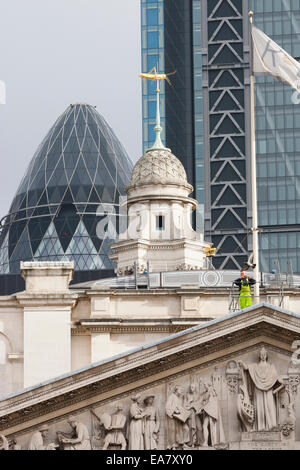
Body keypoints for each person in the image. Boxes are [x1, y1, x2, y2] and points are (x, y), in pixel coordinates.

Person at [238, 347, 283, 431]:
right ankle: (260, 427)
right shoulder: (255, 366)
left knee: (270, 406)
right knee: (259, 406)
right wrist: (241, 363)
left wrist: (277, 388)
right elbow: (246, 368)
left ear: (266, 356)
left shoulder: (271, 367)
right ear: (259, 356)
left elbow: (279, 380)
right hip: (257, 388)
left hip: (269, 388)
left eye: (264, 355)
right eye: (261, 355)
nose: (263, 356)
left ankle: (272, 426)